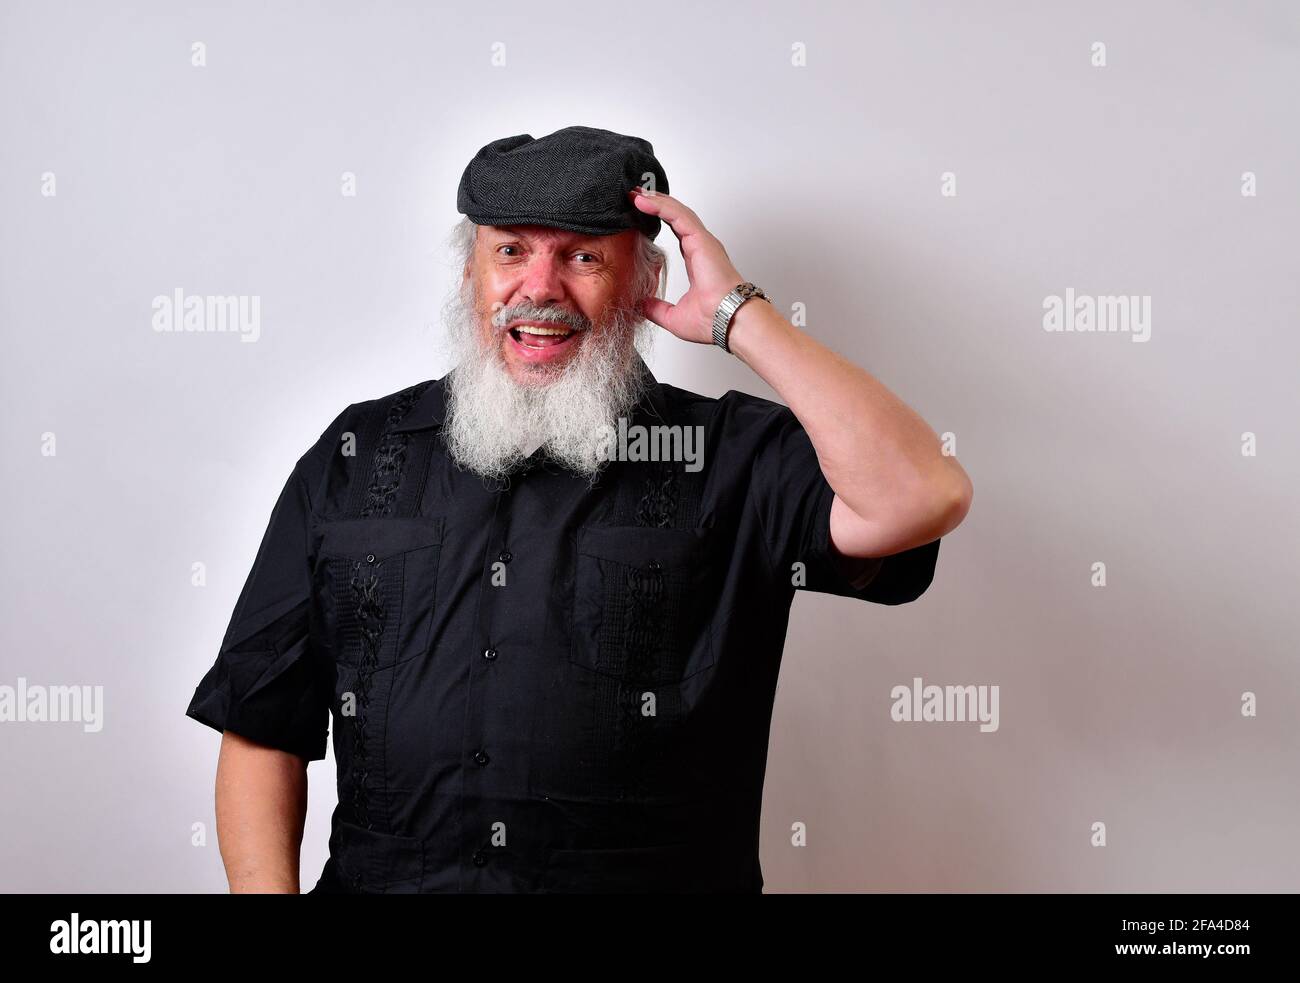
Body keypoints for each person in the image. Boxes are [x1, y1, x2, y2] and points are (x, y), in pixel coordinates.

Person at [185, 125, 973, 893]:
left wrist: (738, 314)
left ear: (645, 285)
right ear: (471, 274)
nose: (540, 287)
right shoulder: (356, 451)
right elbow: (262, 719)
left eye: (584, 257)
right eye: (511, 251)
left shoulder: (733, 457)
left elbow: (922, 495)